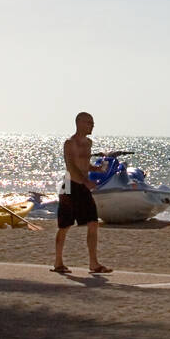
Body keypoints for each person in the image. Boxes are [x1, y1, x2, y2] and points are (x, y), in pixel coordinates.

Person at [52, 112, 112, 275]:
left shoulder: (88, 143)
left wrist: (96, 169)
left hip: (82, 186)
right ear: (79, 123)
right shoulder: (70, 143)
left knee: (93, 222)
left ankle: (94, 263)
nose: (92, 125)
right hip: (69, 185)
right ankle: (58, 262)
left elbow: (84, 164)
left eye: (93, 123)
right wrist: (86, 181)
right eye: (89, 123)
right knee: (65, 225)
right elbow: (71, 166)